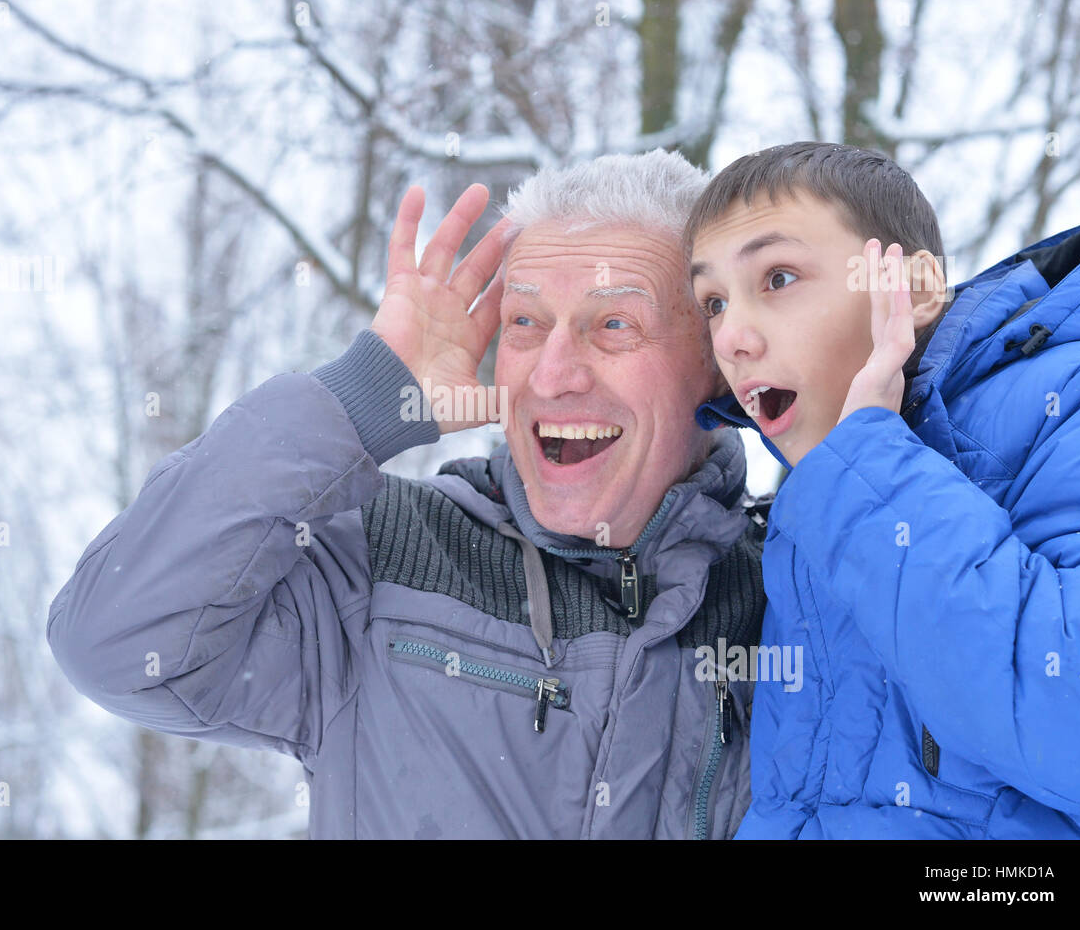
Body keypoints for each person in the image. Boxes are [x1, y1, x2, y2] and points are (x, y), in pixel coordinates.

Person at [46, 149, 769, 839]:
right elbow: (115, 642)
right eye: (524, 322)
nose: (552, 374)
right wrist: (360, 400)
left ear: (715, 359)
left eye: (614, 324)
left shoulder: (792, 601)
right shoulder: (383, 564)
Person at [688, 140, 1080, 838]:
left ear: (913, 290)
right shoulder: (811, 504)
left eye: (778, 277)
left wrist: (872, 471)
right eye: (713, 302)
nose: (730, 336)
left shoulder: (1070, 396)